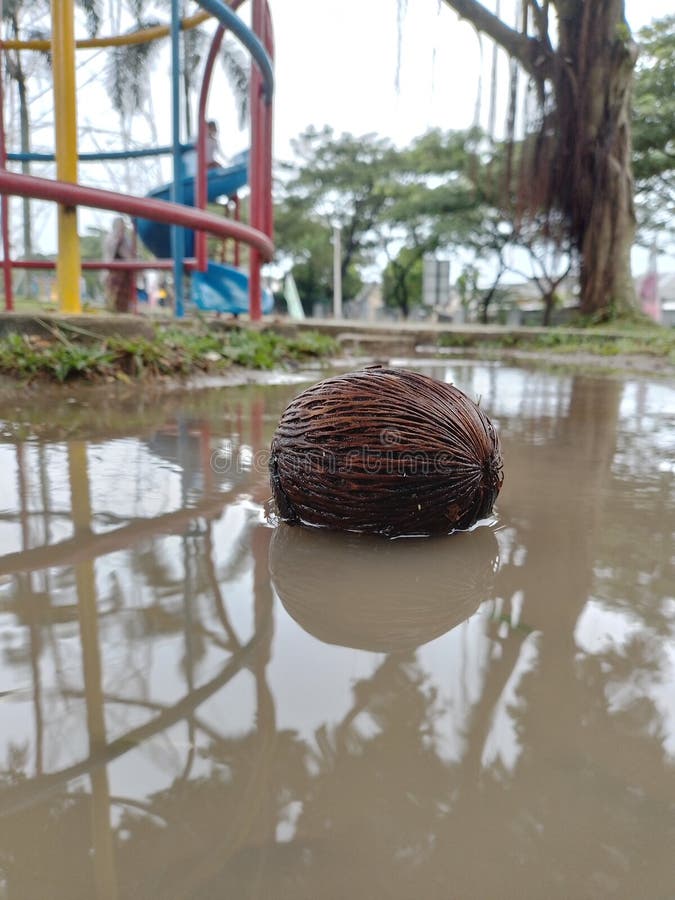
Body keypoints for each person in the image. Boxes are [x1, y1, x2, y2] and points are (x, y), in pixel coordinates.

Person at [103, 217, 135, 313]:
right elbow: (110, 252)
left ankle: (124, 309)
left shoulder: (127, 240)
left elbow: (130, 254)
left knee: (124, 293)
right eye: (120, 226)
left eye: (123, 226)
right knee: (114, 292)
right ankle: (112, 309)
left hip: (126, 271)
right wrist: (118, 240)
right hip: (114, 270)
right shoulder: (110, 238)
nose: (122, 228)